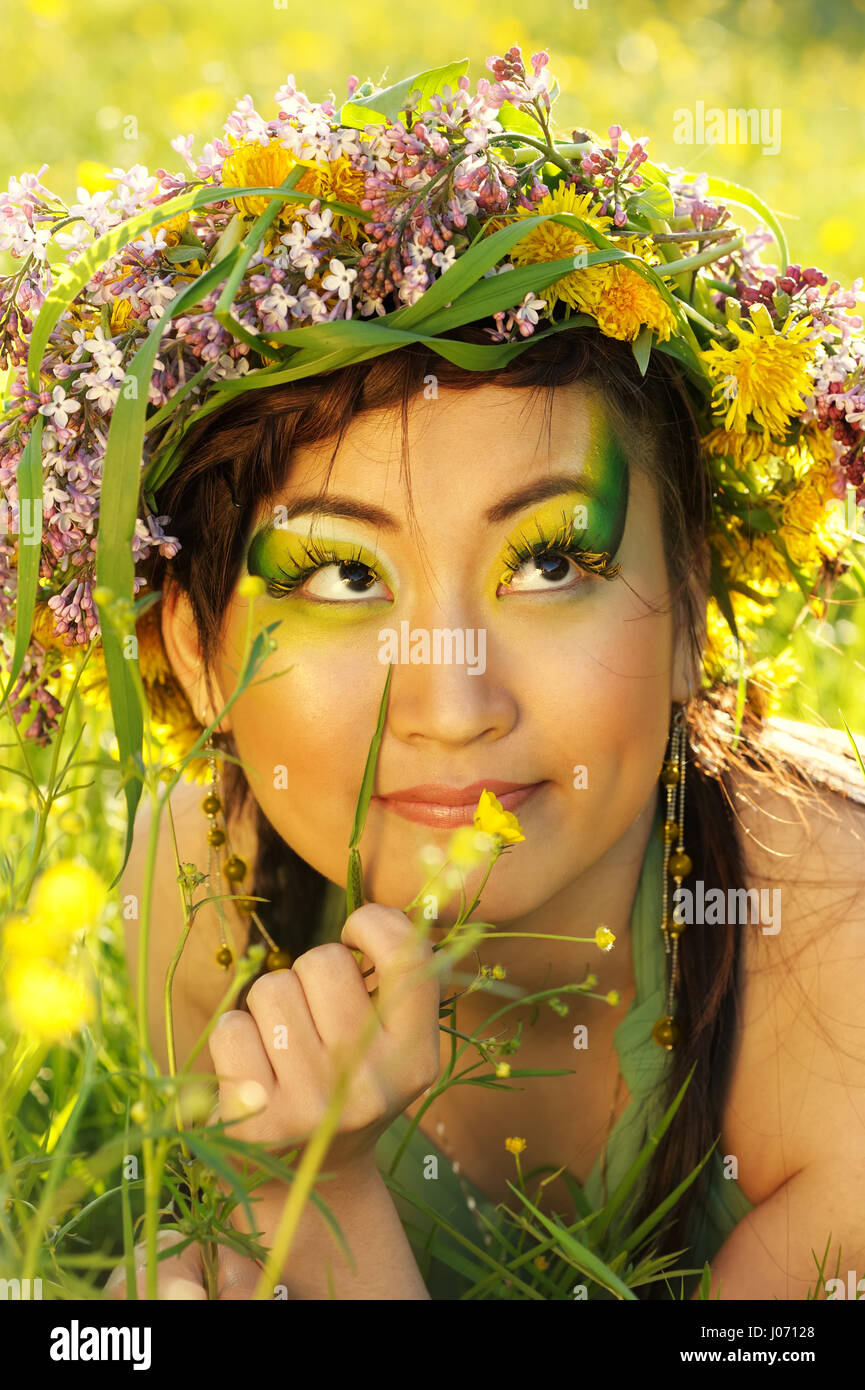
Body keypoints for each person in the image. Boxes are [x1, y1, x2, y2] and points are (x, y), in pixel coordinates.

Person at [3, 46, 864, 1302]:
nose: (455, 706)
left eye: (554, 560)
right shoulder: (199, 890)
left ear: (688, 610)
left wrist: (329, 1199)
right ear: (190, 652)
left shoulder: (831, 963)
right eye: (341, 577)